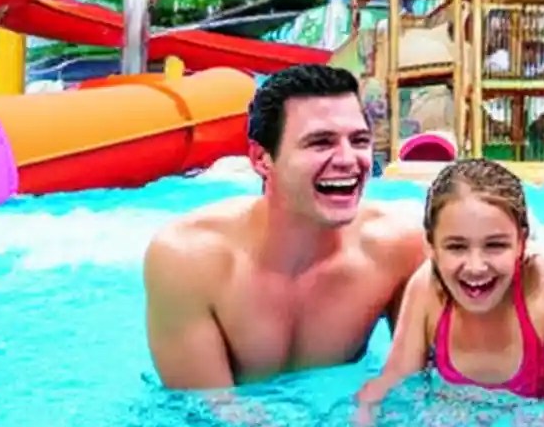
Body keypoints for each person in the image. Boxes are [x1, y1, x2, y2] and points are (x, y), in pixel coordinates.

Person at [143, 64, 427, 390]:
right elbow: (207, 411)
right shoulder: (188, 259)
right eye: (321, 142)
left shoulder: (398, 249)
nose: (349, 159)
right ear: (262, 159)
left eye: (359, 140)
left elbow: (424, 385)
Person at [356, 158, 544, 427]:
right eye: (456, 247)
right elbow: (396, 378)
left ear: (521, 242)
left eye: (495, 245)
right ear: (431, 246)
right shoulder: (428, 288)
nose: (476, 266)